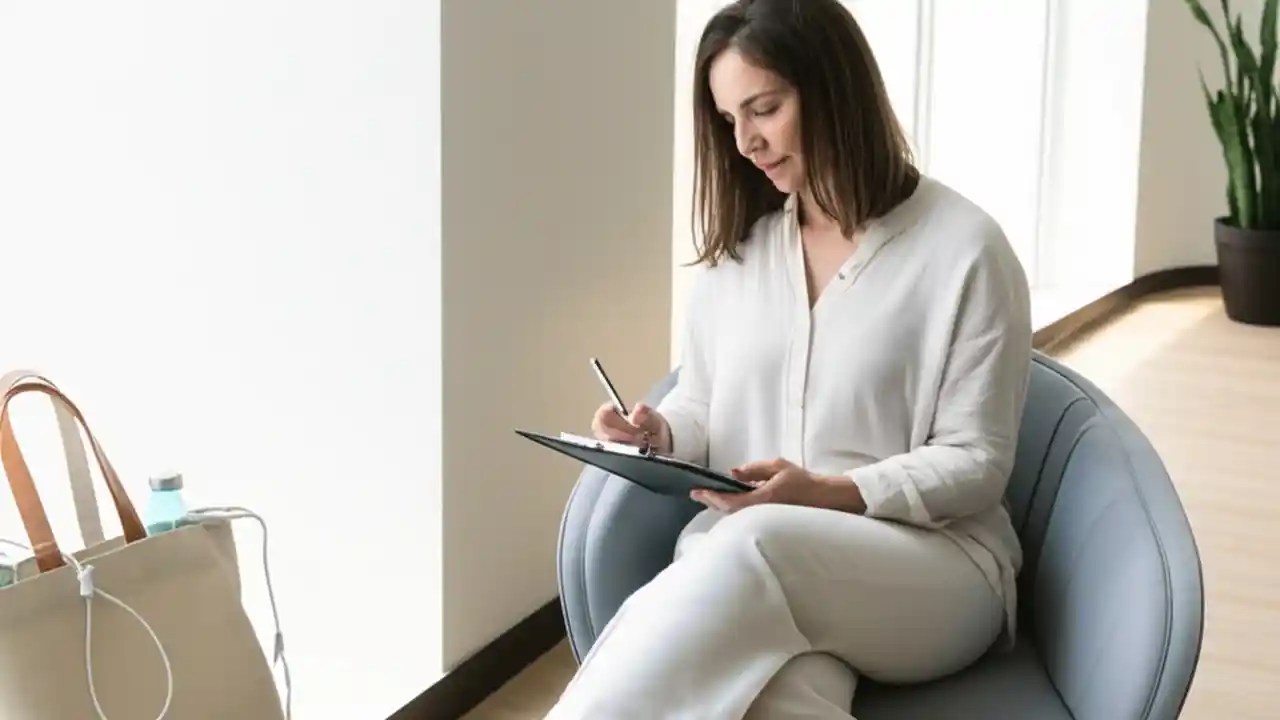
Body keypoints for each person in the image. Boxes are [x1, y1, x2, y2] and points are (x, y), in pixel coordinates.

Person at [548, 0, 1032, 717]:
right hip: (751, 567)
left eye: (763, 109)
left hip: (930, 572)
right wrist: (659, 435)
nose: (744, 141)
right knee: (775, 697)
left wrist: (825, 493)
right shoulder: (738, 255)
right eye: (727, 121)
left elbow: (977, 462)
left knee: (759, 545)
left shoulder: (965, 250)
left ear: (834, 89)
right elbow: (705, 402)